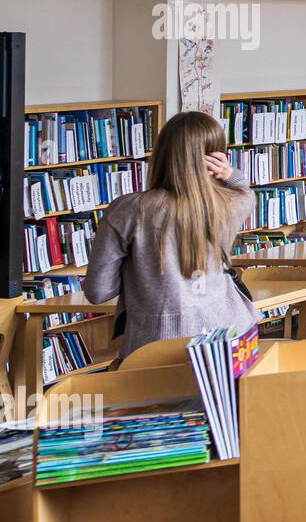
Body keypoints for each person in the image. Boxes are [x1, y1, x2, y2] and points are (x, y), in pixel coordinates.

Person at [85, 111, 258, 357]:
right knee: (224, 396)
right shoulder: (232, 204)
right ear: (216, 159)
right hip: (230, 337)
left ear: (162, 154)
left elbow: (98, 291)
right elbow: (245, 191)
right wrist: (230, 175)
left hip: (155, 344)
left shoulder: (128, 210)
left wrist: (143, 276)